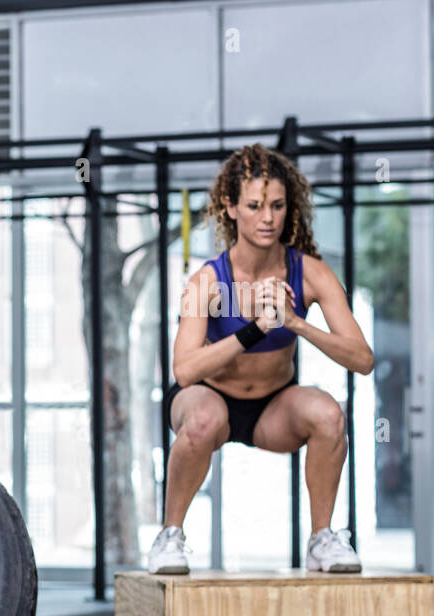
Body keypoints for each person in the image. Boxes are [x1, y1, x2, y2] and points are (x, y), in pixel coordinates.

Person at [149, 144, 374, 574]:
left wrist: (296, 323)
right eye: (254, 206)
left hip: (273, 407)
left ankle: (321, 538)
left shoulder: (309, 273)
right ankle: (169, 535)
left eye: (276, 206)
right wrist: (255, 329)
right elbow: (185, 369)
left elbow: (362, 359)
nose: (267, 218)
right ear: (230, 208)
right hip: (206, 401)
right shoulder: (208, 280)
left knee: (329, 415)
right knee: (203, 420)